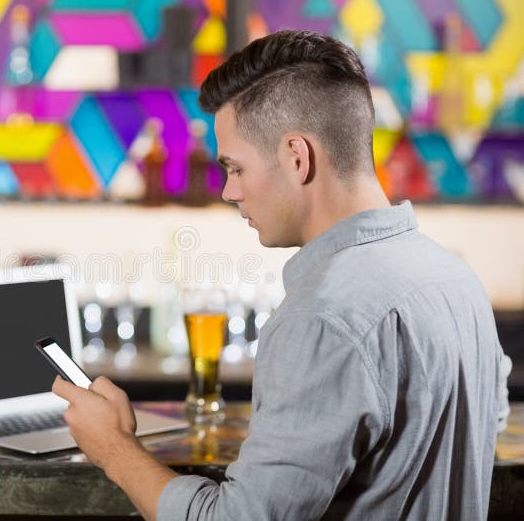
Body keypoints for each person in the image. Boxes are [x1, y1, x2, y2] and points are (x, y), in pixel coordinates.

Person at [52, 30, 507, 520]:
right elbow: (491, 414)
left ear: (297, 157)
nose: (229, 191)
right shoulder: (452, 277)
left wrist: (113, 448)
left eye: (236, 168)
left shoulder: (322, 317)